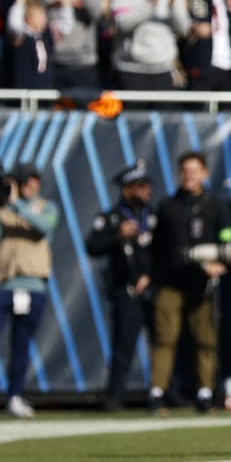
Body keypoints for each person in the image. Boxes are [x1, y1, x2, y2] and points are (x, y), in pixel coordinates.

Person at [149, 152, 231, 415]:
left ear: (205, 173)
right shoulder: (167, 205)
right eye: (185, 170)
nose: (189, 175)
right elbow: (157, 246)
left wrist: (221, 261)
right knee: (165, 337)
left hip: (202, 283)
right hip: (171, 280)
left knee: (205, 339)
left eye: (194, 170)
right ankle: (157, 393)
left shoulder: (215, 205)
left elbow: (228, 236)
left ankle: (205, 392)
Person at [0, 163, 58, 418]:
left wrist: (16, 204)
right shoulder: (0, 208)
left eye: (32, 179)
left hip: (32, 285)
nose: (28, 184)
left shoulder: (46, 207)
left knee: (21, 344)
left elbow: (43, 228)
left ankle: (14, 395)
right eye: (22, 180)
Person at [86, 160, 155, 412]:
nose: (147, 189)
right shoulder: (112, 217)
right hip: (126, 291)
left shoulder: (155, 214)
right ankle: (115, 395)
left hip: (155, 288)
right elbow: (92, 246)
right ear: (126, 188)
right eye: (141, 185)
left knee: (165, 344)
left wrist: (151, 275)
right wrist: (117, 235)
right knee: (123, 347)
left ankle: (165, 392)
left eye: (148, 184)